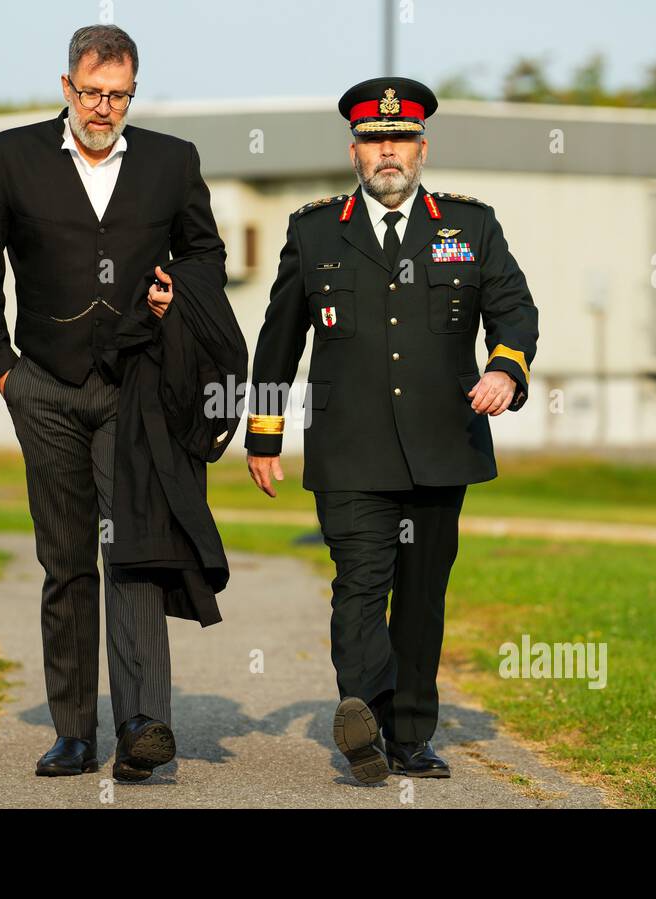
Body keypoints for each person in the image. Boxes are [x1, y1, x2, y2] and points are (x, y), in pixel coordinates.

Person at [0, 24, 226, 783]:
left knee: (134, 548)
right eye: (93, 92)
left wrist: (180, 289)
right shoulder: (7, 158)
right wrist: (2, 372)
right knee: (65, 558)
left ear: (133, 92)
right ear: (66, 87)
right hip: (42, 385)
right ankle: (73, 730)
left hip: (135, 387)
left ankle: (142, 724)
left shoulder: (173, 162)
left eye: (120, 95)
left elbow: (207, 256)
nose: (105, 108)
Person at [244, 77, 540, 785]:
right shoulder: (315, 231)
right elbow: (278, 338)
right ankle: (367, 719)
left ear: (421, 148)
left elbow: (515, 310)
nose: (388, 152)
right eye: (375, 141)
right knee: (359, 584)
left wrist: (505, 369)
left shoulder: (470, 227)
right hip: (349, 451)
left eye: (400, 139)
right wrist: (263, 431)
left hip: (444, 446)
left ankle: (410, 736)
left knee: (419, 598)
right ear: (355, 150)